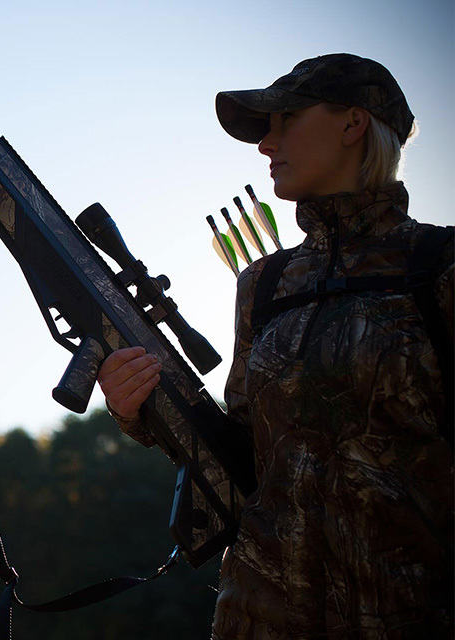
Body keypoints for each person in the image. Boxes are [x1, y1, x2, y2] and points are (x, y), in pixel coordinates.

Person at [98, 53, 453, 638]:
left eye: (285, 120)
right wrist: (139, 409)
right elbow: (241, 456)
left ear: (352, 123)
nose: (266, 145)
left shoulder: (439, 264)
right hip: (258, 620)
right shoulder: (263, 285)